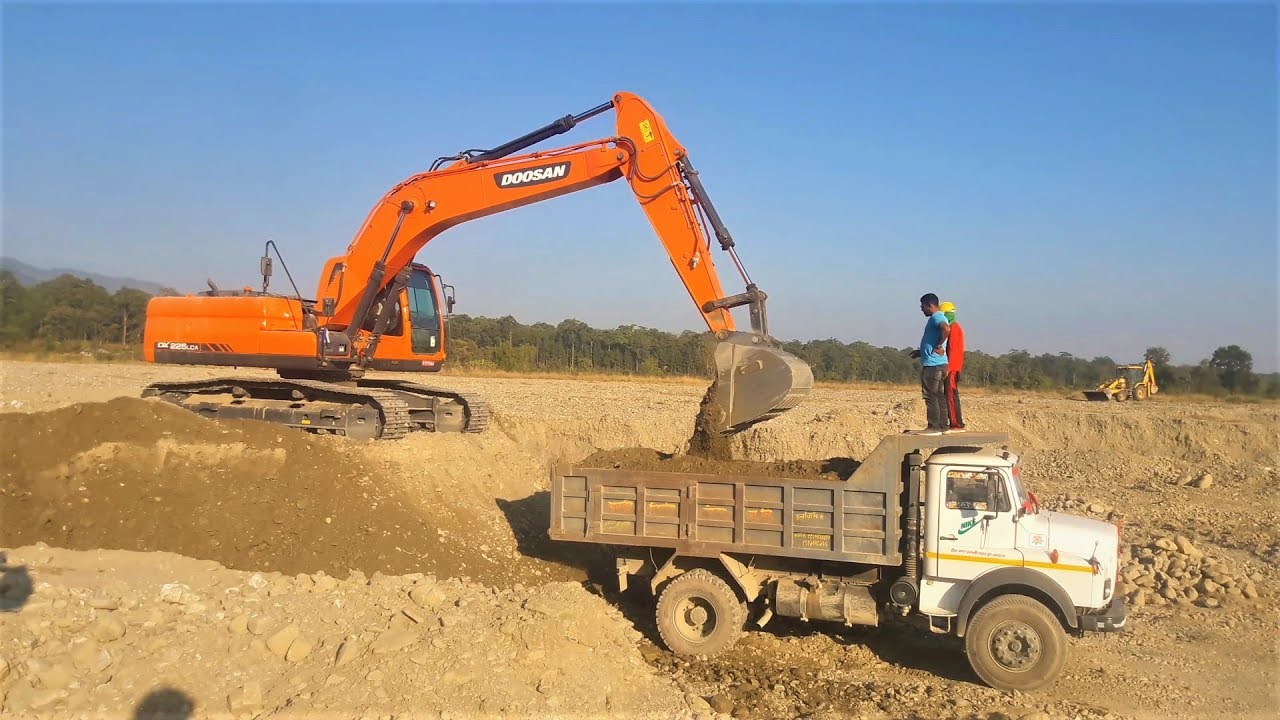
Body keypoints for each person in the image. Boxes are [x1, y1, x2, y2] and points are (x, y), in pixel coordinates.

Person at [909, 293, 950, 435]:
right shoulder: (937, 317)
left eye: (922, 306)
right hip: (940, 364)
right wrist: (920, 352)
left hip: (933, 365)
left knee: (930, 395)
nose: (921, 309)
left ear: (930, 305)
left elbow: (946, 329)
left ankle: (933, 427)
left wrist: (939, 345)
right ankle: (944, 426)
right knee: (939, 395)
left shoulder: (936, 317)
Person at [940, 301, 966, 433]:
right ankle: (955, 422)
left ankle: (956, 423)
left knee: (950, 395)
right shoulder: (955, 327)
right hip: (954, 367)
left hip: (952, 367)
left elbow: (953, 350)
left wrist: (948, 368)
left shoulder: (954, 328)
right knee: (950, 394)